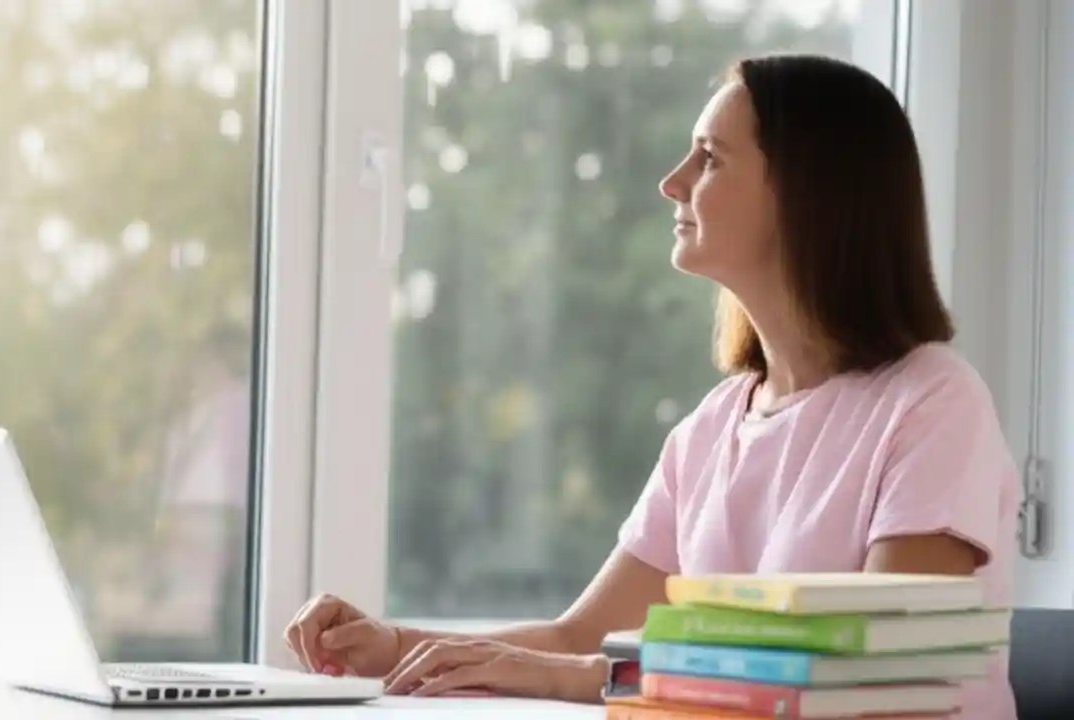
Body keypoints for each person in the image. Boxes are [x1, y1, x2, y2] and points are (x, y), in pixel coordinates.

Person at [283, 54, 1018, 719]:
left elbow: (875, 673)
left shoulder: (932, 403)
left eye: (709, 158)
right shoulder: (711, 428)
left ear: (806, 193)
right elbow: (579, 635)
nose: (672, 182)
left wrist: (572, 678)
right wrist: (391, 643)